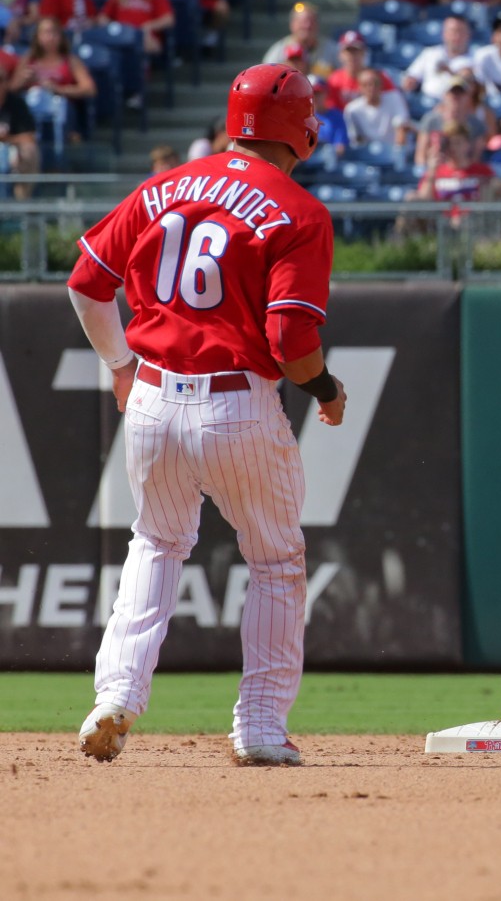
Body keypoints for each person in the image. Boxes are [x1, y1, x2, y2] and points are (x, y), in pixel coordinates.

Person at [69, 63, 345, 769]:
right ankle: (257, 724)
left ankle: (114, 696)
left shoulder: (164, 185)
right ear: (297, 127)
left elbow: (85, 281)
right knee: (277, 560)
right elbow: (290, 344)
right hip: (237, 402)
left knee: (155, 544)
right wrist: (325, 389)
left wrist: (121, 365)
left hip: (155, 396)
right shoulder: (298, 211)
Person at [8, 17, 98, 139]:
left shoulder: (70, 61)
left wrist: (57, 89)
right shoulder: (28, 59)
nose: (50, 37)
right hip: (30, 107)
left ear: (61, 36)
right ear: (37, 37)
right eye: (45, 32)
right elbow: (9, 89)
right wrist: (23, 81)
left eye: (54, 32)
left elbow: (89, 89)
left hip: (61, 108)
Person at [414, 123, 501, 202]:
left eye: (458, 143)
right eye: (450, 144)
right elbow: (423, 202)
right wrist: (432, 171)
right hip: (443, 217)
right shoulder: (435, 172)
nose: (453, 148)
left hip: (474, 217)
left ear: (467, 144)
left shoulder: (482, 171)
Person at [414, 77, 488, 168]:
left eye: (460, 93)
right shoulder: (431, 120)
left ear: (468, 97)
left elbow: (476, 157)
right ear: (444, 96)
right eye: (452, 92)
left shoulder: (476, 124)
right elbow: (421, 153)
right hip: (434, 169)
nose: (456, 97)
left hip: (464, 172)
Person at [403, 15, 475, 101]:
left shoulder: (476, 57)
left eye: (461, 31)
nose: (456, 36)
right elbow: (411, 77)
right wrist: (409, 82)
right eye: (452, 31)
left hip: (459, 108)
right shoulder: (430, 53)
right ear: (444, 34)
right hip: (428, 104)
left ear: (469, 34)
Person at [325, 30, 396, 111]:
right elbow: (331, 110)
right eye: (348, 51)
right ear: (340, 55)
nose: (352, 56)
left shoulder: (379, 77)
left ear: (364, 53)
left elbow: (394, 102)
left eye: (356, 51)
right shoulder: (334, 80)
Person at [344, 66, 412, 148]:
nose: (371, 88)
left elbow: (401, 129)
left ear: (381, 85)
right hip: (367, 154)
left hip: (393, 151)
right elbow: (356, 139)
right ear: (360, 88)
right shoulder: (352, 110)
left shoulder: (394, 97)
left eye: (375, 83)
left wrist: (397, 153)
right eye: (366, 85)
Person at [262, 2, 337, 77]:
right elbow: (267, 78)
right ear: (292, 24)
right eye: (303, 22)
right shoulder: (278, 51)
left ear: (318, 24)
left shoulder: (332, 50)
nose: (307, 26)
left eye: (312, 21)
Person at [0, 70, 40, 198]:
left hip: (13, 148)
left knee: (30, 151)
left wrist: (7, 139)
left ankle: (21, 204)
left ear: (5, 83)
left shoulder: (16, 104)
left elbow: (29, 137)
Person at [309, 76, 348, 157]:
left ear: (326, 93)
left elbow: (340, 147)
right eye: (313, 93)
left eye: (319, 93)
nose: (315, 97)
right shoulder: (302, 117)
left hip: (330, 160)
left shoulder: (337, 116)